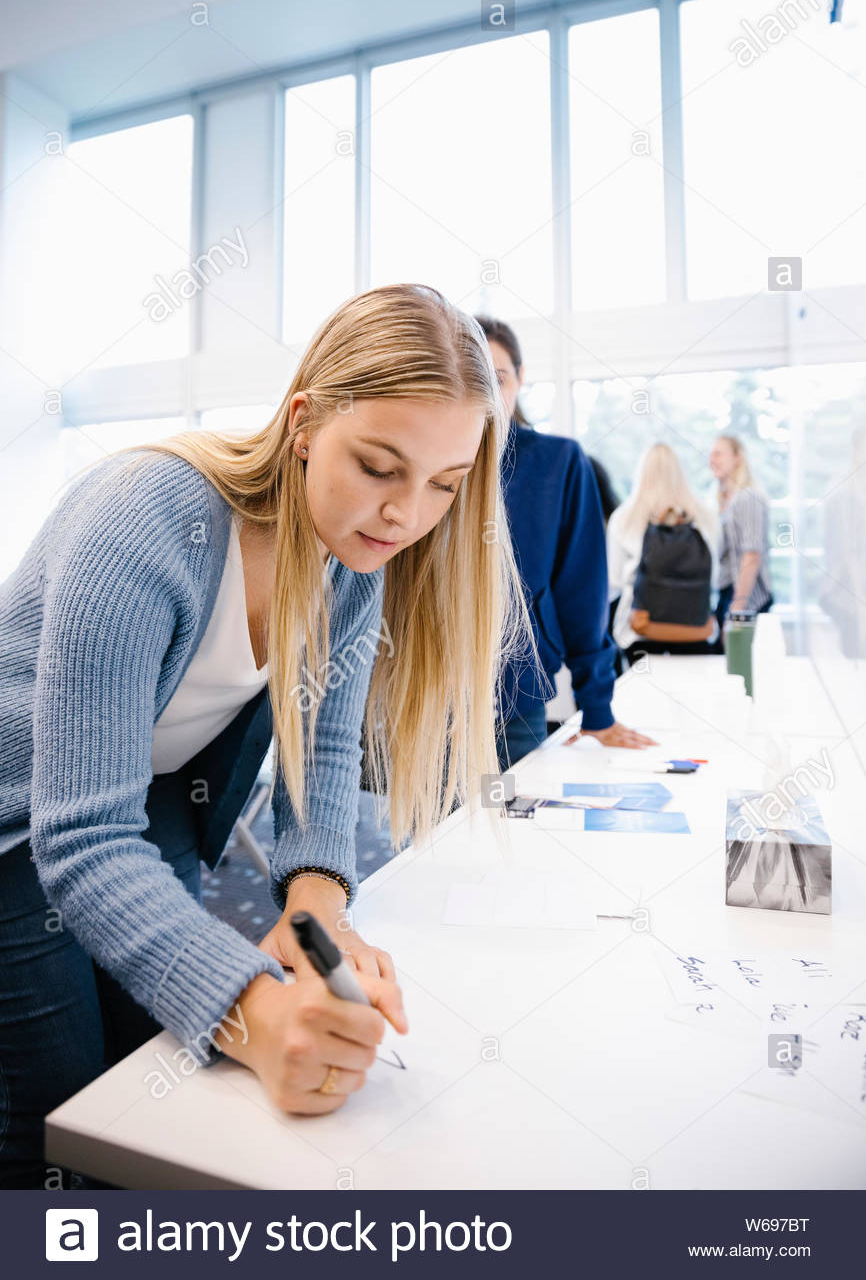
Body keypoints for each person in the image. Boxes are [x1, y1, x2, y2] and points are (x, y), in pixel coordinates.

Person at [0, 284, 535, 1188]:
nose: (406, 515)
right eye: (378, 466)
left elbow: (322, 753)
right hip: (25, 821)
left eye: (445, 485)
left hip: (150, 802)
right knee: (59, 1107)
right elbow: (80, 835)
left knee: (155, 1075)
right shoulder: (145, 517)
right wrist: (255, 1013)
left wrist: (316, 906)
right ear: (301, 423)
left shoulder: (353, 553)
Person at [475, 314, 655, 769]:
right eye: (472, 376)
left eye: (498, 377)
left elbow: (582, 590)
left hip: (516, 695)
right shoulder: (426, 462)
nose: (487, 391)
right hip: (425, 694)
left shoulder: (558, 463)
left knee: (518, 827)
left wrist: (596, 707)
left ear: (520, 379)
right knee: (433, 838)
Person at [606, 443, 720, 666]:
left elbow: (614, 581)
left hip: (639, 631)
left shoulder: (625, 518)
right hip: (696, 629)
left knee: (645, 699)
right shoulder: (705, 518)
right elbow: (714, 578)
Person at [708, 433, 773, 634]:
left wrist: (737, 609)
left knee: (739, 662)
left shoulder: (748, 498)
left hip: (747, 600)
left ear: (737, 457)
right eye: (711, 455)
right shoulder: (723, 500)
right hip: (729, 593)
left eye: (719, 454)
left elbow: (752, 555)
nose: (712, 460)